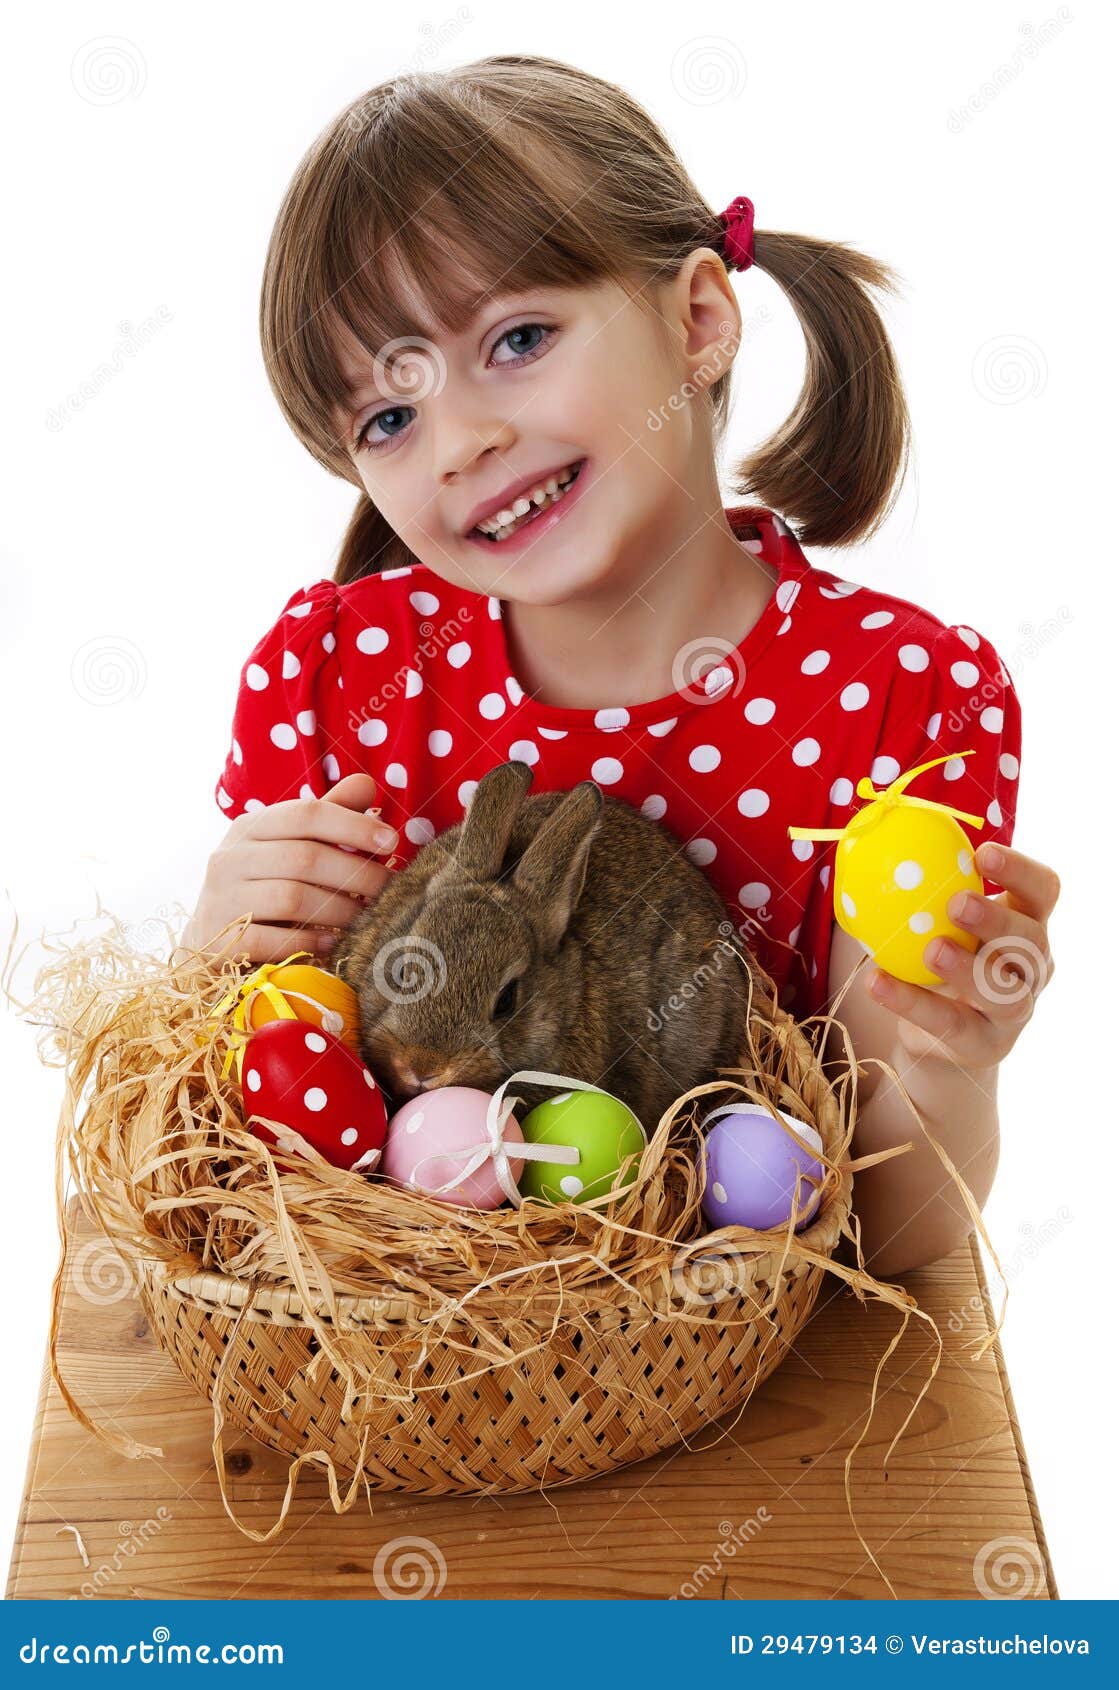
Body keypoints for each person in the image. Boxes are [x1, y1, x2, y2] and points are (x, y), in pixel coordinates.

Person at [181, 55, 1059, 1275]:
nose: (463, 442)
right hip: (396, 1390)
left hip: (741, 1399)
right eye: (389, 417)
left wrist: (952, 1065)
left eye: (520, 338)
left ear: (698, 322)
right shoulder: (336, 676)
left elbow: (887, 1237)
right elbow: (233, 1151)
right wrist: (209, 956)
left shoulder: (903, 701)